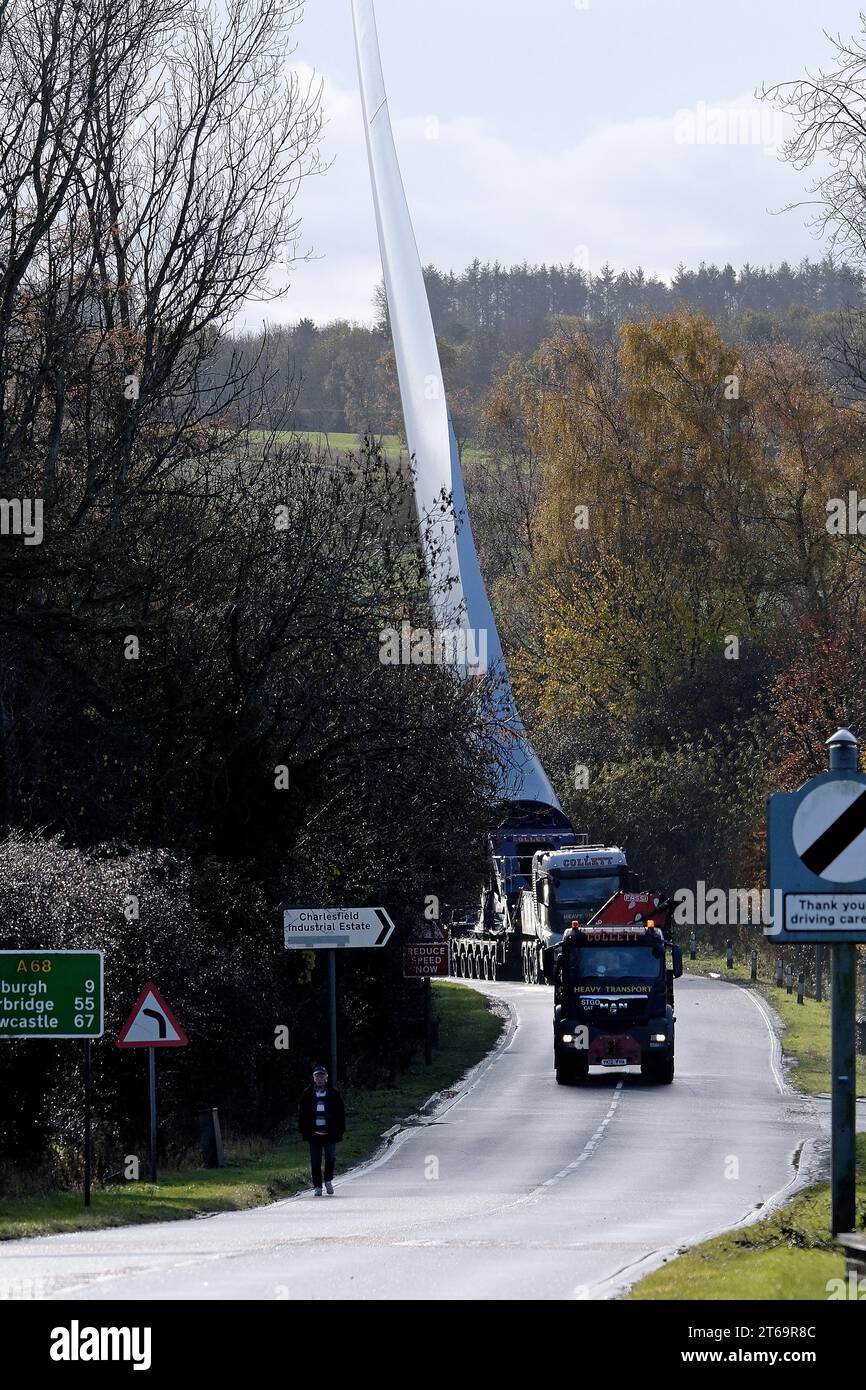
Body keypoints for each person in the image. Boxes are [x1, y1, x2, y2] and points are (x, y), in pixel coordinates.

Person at [298, 1066, 345, 1196]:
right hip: (314, 1134)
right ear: (314, 1078)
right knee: (315, 1161)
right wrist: (304, 1131)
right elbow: (302, 1114)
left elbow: (340, 1114)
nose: (320, 1079)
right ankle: (317, 1186)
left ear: (326, 1078)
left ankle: (328, 1180)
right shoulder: (307, 1094)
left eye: (322, 1076)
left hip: (330, 1134)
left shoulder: (333, 1093)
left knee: (330, 1158)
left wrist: (339, 1131)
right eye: (317, 1076)